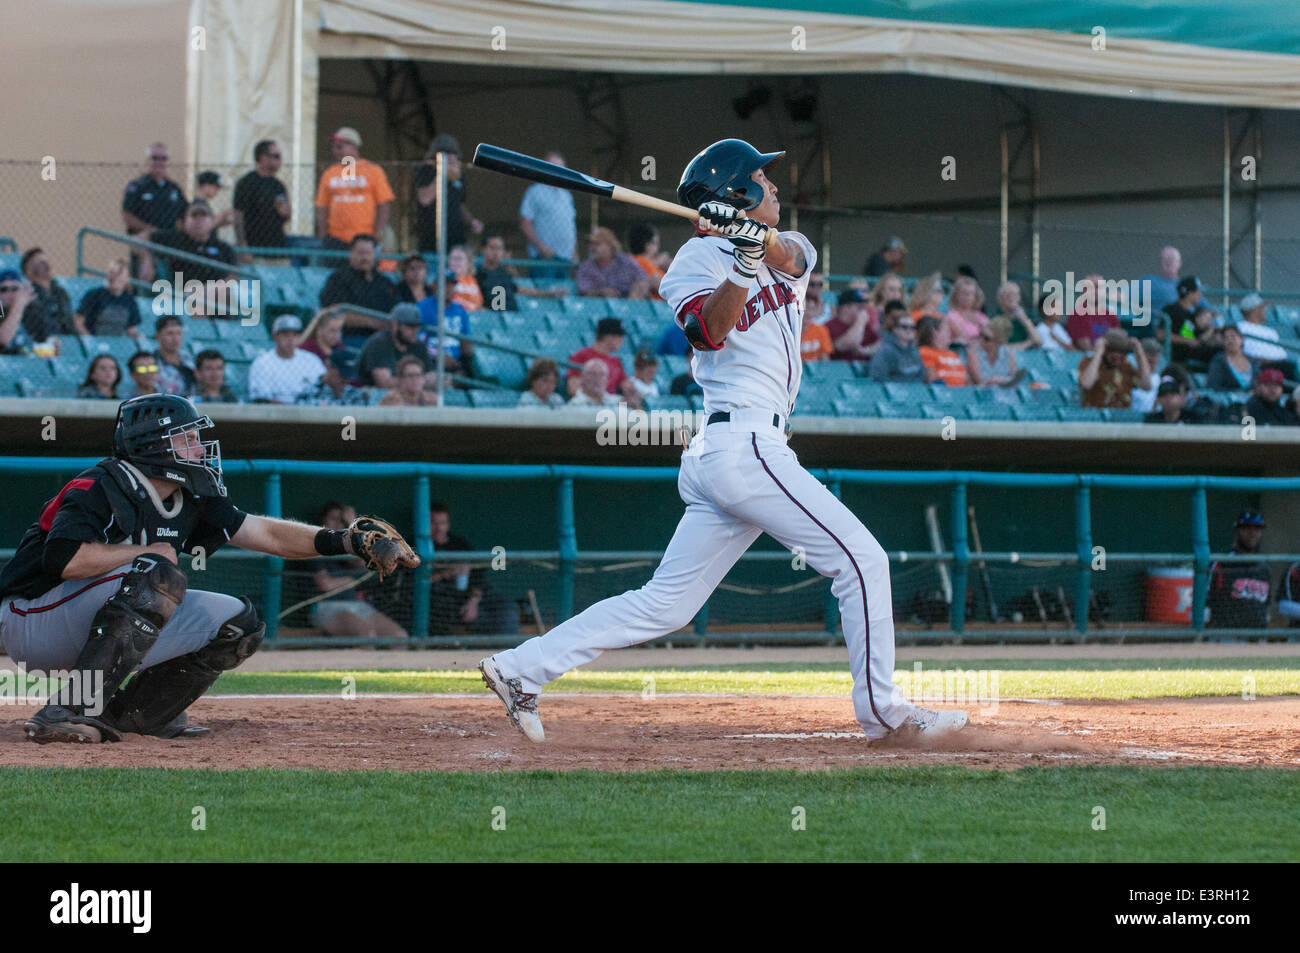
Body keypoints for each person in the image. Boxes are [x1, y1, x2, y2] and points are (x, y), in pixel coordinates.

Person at [478, 137, 967, 743]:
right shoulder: (688, 265)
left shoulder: (791, 248)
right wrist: (736, 259)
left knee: (666, 605)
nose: (776, 186)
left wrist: (749, 238)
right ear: (736, 190)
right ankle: (887, 717)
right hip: (740, 442)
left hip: (741, 449)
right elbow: (710, 333)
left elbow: (788, 255)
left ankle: (519, 669)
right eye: (762, 178)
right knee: (863, 560)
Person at [0, 394, 417, 744]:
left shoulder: (193, 493)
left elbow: (266, 535)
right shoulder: (99, 486)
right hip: (30, 618)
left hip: (87, 619)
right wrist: (149, 551)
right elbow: (65, 561)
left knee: (240, 623)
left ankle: (138, 713)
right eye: (187, 439)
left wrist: (342, 540)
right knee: (156, 570)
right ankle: (68, 709)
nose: (199, 448)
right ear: (153, 445)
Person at [302, 502, 408, 639]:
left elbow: (362, 563)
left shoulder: (347, 546)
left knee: (399, 636)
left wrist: (352, 524)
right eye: (333, 519)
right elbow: (325, 584)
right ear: (323, 521)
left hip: (357, 605)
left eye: (341, 521)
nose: (337, 524)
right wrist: (353, 580)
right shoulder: (315, 544)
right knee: (366, 634)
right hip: (327, 607)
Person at [428, 504, 518, 636]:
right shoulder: (415, 545)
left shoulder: (459, 543)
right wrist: (447, 573)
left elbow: (477, 577)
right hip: (442, 601)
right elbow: (414, 581)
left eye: (442, 523)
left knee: (506, 606)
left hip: (470, 595)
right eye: (433, 523)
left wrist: (473, 601)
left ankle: (507, 649)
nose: (439, 528)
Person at [314, 127, 394, 252]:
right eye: (334, 147)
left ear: (354, 146)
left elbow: (383, 204)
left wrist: (377, 233)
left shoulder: (373, 171)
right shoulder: (329, 173)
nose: (336, 151)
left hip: (365, 238)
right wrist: (323, 236)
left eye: (340, 147)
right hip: (335, 239)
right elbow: (322, 207)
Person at [121, 142, 188, 282]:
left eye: (163, 158)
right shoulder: (138, 186)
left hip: (169, 243)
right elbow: (127, 215)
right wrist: (150, 230)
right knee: (145, 282)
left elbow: (185, 215)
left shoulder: (173, 188)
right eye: (155, 158)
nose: (159, 162)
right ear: (148, 161)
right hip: (145, 243)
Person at [413, 133, 482, 254]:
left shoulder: (459, 177)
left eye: (453, 155)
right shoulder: (425, 171)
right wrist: (442, 175)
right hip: (430, 240)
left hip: (456, 239)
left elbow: (459, 204)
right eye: (446, 155)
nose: (451, 159)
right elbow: (424, 198)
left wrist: (472, 221)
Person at [149, 200, 238, 294]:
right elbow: (142, 238)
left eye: (203, 216)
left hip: (218, 294)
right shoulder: (174, 239)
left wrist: (209, 290)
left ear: (212, 221)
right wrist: (146, 258)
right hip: (185, 296)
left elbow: (234, 276)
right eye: (194, 216)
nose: (199, 221)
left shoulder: (223, 247)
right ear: (185, 222)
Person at [318, 234, 399, 330]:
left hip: (385, 336)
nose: (365, 258)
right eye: (360, 253)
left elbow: (397, 310)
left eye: (368, 253)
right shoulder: (338, 279)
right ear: (351, 253)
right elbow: (333, 312)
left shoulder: (385, 282)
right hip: (351, 337)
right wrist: (374, 323)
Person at [1207, 512, 1271, 630]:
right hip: (1226, 635)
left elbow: (1266, 605)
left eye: (1257, 529)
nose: (1252, 533)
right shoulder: (1221, 562)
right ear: (1237, 531)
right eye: (1246, 528)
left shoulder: (1264, 567)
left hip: (1256, 637)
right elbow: (1205, 599)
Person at [519, 150, 577, 274]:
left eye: (560, 167)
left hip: (565, 258)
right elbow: (525, 223)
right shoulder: (535, 191)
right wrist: (541, 248)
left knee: (564, 292)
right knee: (544, 292)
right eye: (553, 166)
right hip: (544, 258)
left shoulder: (567, 195)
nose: (557, 170)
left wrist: (574, 251)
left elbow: (571, 226)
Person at [474, 234, 566, 312]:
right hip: (492, 318)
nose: (496, 252)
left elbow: (518, 289)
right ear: (483, 250)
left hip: (512, 315)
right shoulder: (477, 274)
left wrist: (548, 293)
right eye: (492, 248)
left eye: (499, 249)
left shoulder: (504, 273)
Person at [232, 139, 290, 261]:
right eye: (276, 156)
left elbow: (285, 215)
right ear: (263, 158)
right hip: (255, 249)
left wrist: (285, 212)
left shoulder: (278, 185)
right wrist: (242, 245)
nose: (280, 160)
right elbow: (238, 215)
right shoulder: (247, 183)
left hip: (277, 249)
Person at [248, 315, 327, 404]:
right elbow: (261, 400)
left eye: (295, 334)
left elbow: (324, 389)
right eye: (285, 334)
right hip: (276, 415)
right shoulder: (262, 363)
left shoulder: (311, 360)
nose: (290, 339)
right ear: (274, 336)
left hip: (309, 412)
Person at [357, 303, 432, 388]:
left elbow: (431, 374)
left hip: (408, 394)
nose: (415, 331)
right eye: (410, 326)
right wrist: (421, 381)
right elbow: (384, 383)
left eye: (417, 326)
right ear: (394, 325)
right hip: (375, 395)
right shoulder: (379, 343)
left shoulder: (418, 345)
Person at [566, 317, 637, 403]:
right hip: (589, 404)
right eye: (619, 336)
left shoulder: (616, 361)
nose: (622, 341)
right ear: (608, 337)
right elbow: (573, 389)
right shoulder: (581, 356)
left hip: (610, 404)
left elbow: (628, 387)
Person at [1078, 328, 1151, 409]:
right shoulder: (1090, 362)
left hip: (1121, 416)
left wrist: (1139, 353)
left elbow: (1146, 386)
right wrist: (1098, 353)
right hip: (1096, 416)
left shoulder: (1126, 367)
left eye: (1122, 352)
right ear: (1105, 350)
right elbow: (1086, 384)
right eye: (1112, 351)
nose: (1117, 356)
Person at [19, 247, 75, 350]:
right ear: (28, 272)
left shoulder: (61, 293)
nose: (47, 265)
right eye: (40, 263)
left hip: (64, 344)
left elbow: (69, 324)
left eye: (46, 261)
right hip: (38, 345)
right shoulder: (26, 294)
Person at [73, 259, 143, 339]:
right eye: (112, 273)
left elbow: (131, 330)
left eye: (119, 274)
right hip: (94, 341)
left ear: (127, 279)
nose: (115, 277)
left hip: (117, 344)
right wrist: (89, 340)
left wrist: (138, 336)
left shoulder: (130, 301)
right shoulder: (94, 295)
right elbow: (78, 322)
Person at [576, 228, 651, 299]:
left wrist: (636, 290)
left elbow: (643, 279)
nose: (592, 248)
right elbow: (582, 293)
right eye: (591, 244)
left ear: (610, 246)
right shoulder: (585, 267)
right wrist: (601, 293)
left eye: (597, 244)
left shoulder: (625, 261)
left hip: (627, 302)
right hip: (597, 307)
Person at [1236, 292, 1295, 376]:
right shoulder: (1240, 327)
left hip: (1280, 365)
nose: (1265, 310)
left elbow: (1282, 353)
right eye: (1262, 307)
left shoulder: (1270, 331)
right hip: (1256, 366)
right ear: (1254, 309)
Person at [869, 305, 926, 382]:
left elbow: (920, 376)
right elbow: (879, 378)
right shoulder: (885, 351)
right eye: (904, 327)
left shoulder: (915, 351)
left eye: (912, 327)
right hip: (893, 391)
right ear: (895, 329)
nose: (909, 330)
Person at [1066, 274, 1120, 350]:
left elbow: (1118, 342)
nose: (1096, 291)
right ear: (1084, 291)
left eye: (1099, 288)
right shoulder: (1077, 315)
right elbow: (1084, 346)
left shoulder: (1111, 316)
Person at [825, 286, 880, 360]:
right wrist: (859, 323)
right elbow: (846, 345)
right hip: (840, 369)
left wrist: (866, 351)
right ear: (846, 307)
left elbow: (880, 344)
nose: (863, 311)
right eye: (860, 307)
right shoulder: (830, 326)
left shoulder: (865, 325)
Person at [295, 355, 369, 407]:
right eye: (343, 375)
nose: (346, 380)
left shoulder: (354, 394)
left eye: (348, 376)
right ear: (328, 367)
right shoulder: (309, 393)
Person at [966, 316, 1020, 386]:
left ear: (999, 342)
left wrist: (998, 380)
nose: (981, 341)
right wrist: (999, 380)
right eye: (980, 335)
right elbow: (979, 382)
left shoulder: (1008, 352)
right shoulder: (973, 352)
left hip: (1005, 393)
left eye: (986, 339)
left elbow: (1014, 380)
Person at [150, 315, 196, 395]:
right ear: (157, 336)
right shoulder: (152, 360)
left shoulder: (188, 358)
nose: (175, 338)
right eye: (169, 333)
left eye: (179, 333)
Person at [1206, 325, 1258, 392]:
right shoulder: (1219, 360)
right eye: (1226, 338)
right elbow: (1213, 385)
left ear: (1241, 339)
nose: (1230, 340)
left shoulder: (1253, 362)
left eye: (1233, 337)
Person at [918, 316, 967, 387]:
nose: (950, 334)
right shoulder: (925, 352)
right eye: (947, 330)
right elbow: (931, 381)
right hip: (941, 394)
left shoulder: (953, 354)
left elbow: (966, 379)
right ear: (934, 332)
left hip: (960, 394)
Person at [941, 275, 988, 348]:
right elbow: (958, 336)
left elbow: (989, 338)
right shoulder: (950, 316)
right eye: (964, 292)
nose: (967, 296)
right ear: (956, 295)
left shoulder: (981, 317)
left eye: (971, 293)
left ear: (975, 296)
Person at [993, 281, 1042, 350]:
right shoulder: (996, 319)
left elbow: (1039, 342)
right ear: (1000, 298)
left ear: (1019, 297)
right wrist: (1028, 343)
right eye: (1008, 295)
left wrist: (1024, 319)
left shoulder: (1024, 317)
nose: (1012, 298)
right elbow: (1002, 349)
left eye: (1015, 295)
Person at [628, 223, 669, 298]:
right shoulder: (642, 261)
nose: (658, 247)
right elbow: (668, 289)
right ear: (647, 245)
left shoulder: (632, 260)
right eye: (655, 243)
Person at [1138, 246, 1182, 315]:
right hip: (1156, 324)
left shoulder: (1187, 284)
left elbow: (1203, 309)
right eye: (1165, 259)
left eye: (1172, 259)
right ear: (1159, 262)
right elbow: (1123, 295)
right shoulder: (1147, 281)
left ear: (1179, 263)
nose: (1168, 262)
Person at [0, 269, 35, 355]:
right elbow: (3, 339)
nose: (9, 293)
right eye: (4, 289)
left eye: (14, 289)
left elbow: (43, 341)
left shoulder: (32, 311)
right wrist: (18, 306)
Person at [194, 171, 235, 235]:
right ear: (205, 186)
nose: (217, 191)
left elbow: (211, 223)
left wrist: (228, 221)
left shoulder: (204, 204)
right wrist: (222, 215)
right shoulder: (196, 205)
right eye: (215, 187)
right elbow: (202, 228)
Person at [1128, 339, 1163, 413]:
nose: (1150, 364)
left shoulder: (1160, 380)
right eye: (1148, 360)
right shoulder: (1130, 374)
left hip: (1152, 420)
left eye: (1155, 355)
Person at [447, 246, 483, 311]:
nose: (456, 262)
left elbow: (478, 303)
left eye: (459, 259)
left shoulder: (472, 280)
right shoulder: (445, 280)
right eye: (453, 258)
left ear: (469, 263)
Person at [800, 296, 833, 361]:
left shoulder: (821, 330)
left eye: (812, 309)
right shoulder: (789, 330)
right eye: (805, 309)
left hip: (815, 370)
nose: (808, 313)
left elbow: (825, 358)